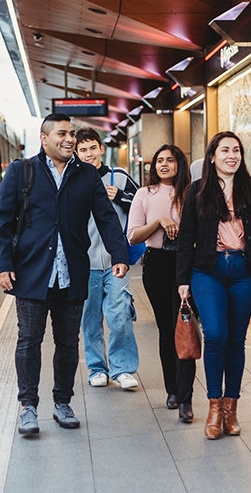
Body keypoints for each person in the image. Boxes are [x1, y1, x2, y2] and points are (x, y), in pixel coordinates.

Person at [0, 113, 130, 437]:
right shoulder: (21, 171)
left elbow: (106, 218)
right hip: (31, 274)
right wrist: (2, 266)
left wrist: (118, 254)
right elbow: (0, 221)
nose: (69, 139)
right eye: (62, 134)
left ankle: (62, 403)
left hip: (73, 274)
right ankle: (27, 407)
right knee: (29, 341)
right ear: (44, 138)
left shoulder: (87, 176)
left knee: (68, 343)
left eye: (72, 134)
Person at [176, 131, 251, 439]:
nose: (232, 155)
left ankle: (231, 409)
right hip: (208, 271)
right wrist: (183, 280)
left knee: (235, 339)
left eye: (236, 150)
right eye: (225, 150)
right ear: (212, 156)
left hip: (244, 272)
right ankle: (213, 407)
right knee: (216, 334)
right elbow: (185, 240)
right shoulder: (197, 191)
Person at [127, 144, 195, 422]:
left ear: (180, 163)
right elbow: (133, 236)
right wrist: (159, 221)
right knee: (167, 329)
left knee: (186, 327)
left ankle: (186, 397)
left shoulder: (192, 192)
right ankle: (173, 390)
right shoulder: (144, 194)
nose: (164, 164)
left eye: (170, 160)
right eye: (159, 160)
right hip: (156, 265)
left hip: (188, 265)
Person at [75, 127, 141, 390]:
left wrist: (121, 197)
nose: (89, 154)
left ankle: (123, 368)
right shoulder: (74, 179)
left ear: (101, 148)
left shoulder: (120, 177)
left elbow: (141, 203)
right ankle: (96, 368)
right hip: (85, 262)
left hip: (116, 260)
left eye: (93, 148)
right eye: (83, 150)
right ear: (76, 153)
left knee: (119, 314)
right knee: (89, 318)